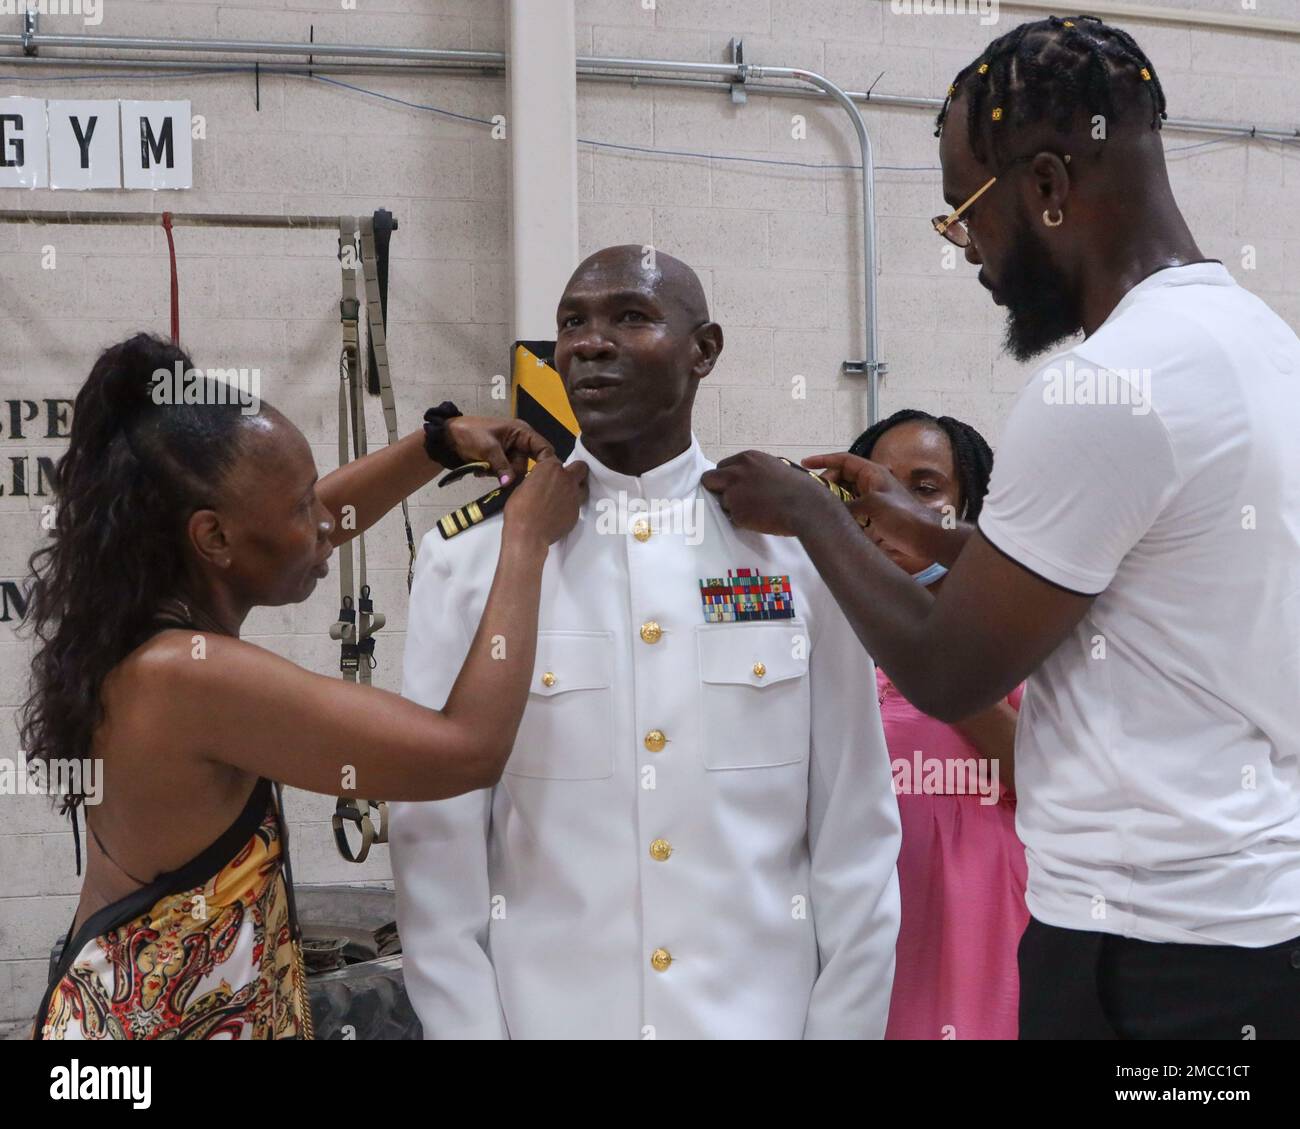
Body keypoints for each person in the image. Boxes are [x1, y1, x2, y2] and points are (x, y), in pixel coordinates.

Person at [701, 15, 1300, 1039]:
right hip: (1251, 928)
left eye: (965, 213)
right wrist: (935, 539)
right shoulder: (1258, 343)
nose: (969, 254)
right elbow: (1129, 583)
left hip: (1150, 957)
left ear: (1049, 187)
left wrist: (806, 514)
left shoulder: (1106, 387)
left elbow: (947, 669)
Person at [389, 245, 902, 1040]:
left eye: (631, 316)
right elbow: (434, 843)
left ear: (705, 349)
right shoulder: (471, 561)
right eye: (572, 323)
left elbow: (855, 832)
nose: (590, 342)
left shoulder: (793, 550)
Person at [25, 332, 587, 1040]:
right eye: (299, 509)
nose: (326, 524)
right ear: (214, 538)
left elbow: (320, 516)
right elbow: (466, 750)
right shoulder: (190, 677)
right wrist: (525, 543)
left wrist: (436, 445)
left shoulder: (153, 618)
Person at [849, 410, 1027, 1040]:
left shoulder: (1020, 627)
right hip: (864, 936)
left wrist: (924, 637)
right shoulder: (821, 629)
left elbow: (1041, 777)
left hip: (987, 932)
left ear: (969, 506)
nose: (895, 506)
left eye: (925, 489)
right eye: (875, 486)